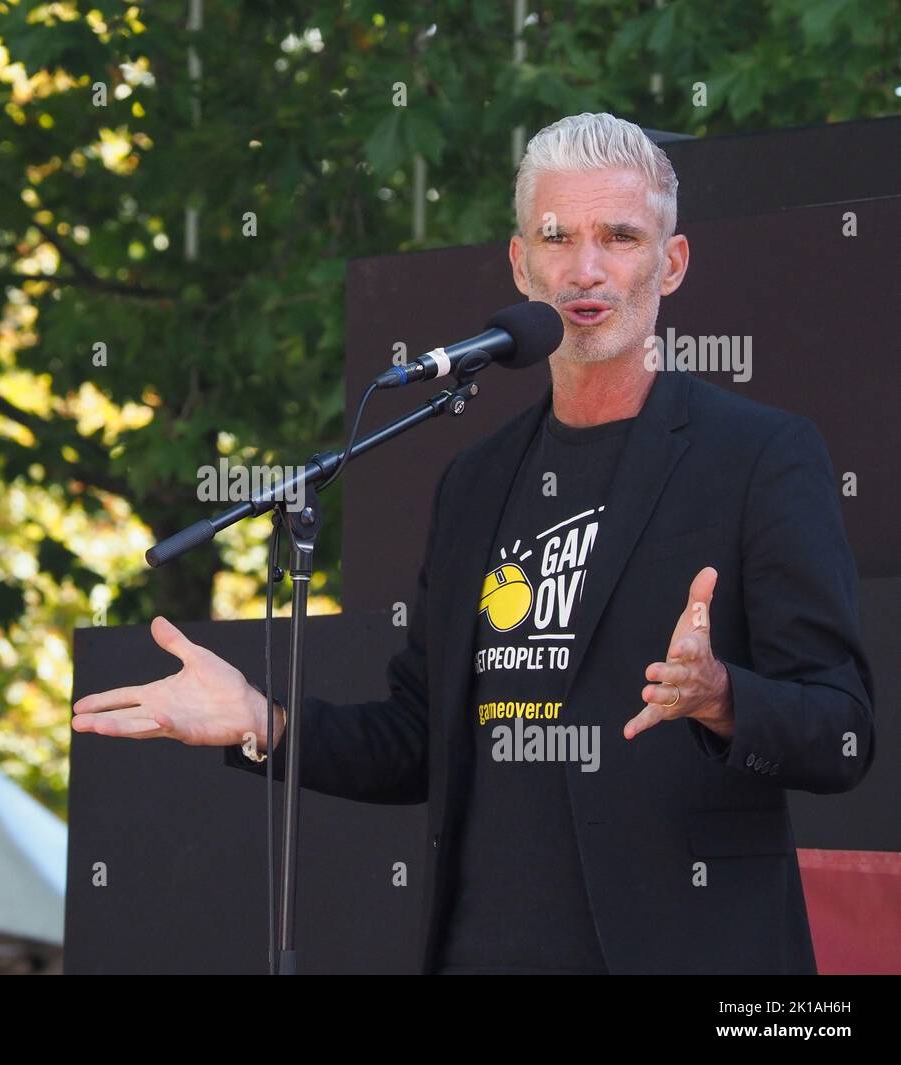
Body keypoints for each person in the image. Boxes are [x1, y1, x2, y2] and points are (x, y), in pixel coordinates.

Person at [71, 113, 875, 974]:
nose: (586, 268)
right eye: (557, 237)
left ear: (670, 263)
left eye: (620, 236)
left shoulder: (757, 456)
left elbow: (842, 731)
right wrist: (262, 722)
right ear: (520, 263)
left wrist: (720, 695)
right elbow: (418, 736)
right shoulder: (476, 481)